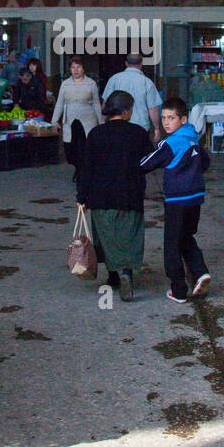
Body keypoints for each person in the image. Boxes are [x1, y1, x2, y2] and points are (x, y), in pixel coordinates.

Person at [76, 91, 153, 302]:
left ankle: (112, 276)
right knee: (130, 235)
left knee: (107, 236)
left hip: (100, 197)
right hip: (130, 194)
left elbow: (86, 168)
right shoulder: (138, 133)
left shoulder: (96, 134)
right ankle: (126, 273)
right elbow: (149, 163)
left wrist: (81, 196)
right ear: (127, 112)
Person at [140, 97, 212, 304]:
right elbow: (205, 163)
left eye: (171, 118)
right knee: (186, 237)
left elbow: (147, 163)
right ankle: (200, 273)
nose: (165, 123)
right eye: (163, 118)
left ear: (183, 119)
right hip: (196, 198)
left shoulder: (171, 143)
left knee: (172, 244)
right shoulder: (193, 139)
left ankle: (178, 290)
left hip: (177, 200)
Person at [51, 57, 102, 181]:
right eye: (73, 67)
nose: (76, 70)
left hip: (88, 120)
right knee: (70, 149)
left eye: (79, 67)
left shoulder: (91, 83)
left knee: (86, 148)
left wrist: (101, 122)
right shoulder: (65, 84)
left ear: (83, 69)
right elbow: (59, 103)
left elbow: (96, 103)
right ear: (70, 69)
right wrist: (54, 121)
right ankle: (78, 167)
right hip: (70, 120)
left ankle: (82, 171)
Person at [102, 53, 163, 141]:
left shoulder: (114, 79)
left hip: (116, 127)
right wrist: (156, 128)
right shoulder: (147, 82)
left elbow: (105, 103)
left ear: (126, 63)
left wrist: (103, 122)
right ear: (141, 63)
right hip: (140, 127)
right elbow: (153, 108)